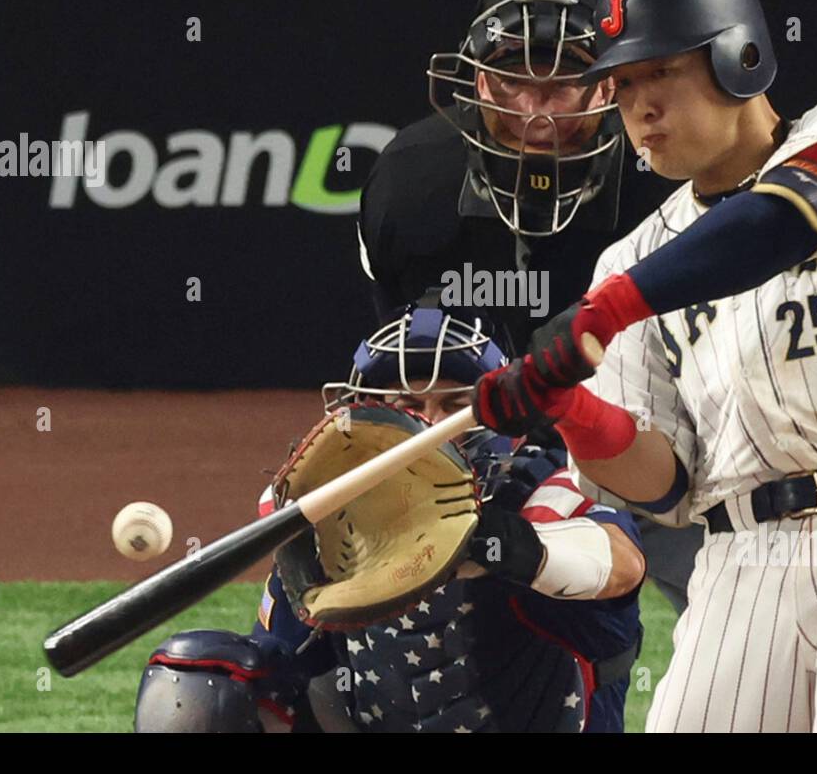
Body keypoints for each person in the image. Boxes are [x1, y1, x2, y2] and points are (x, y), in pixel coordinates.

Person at [472, 0, 817, 732]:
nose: (639, 107)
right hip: (743, 557)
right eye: (622, 88)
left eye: (661, 72)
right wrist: (569, 409)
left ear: (740, 58)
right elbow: (664, 482)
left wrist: (606, 313)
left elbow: (779, 218)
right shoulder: (627, 261)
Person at [357, 0, 702, 613]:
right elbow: (403, 356)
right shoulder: (411, 182)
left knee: (745, 614)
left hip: (655, 448)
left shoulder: (670, 179)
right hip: (473, 459)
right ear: (477, 80)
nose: (535, 109)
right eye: (512, 77)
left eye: (565, 79)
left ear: (607, 85)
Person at [134, 305, 645, 733]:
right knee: (198, 679)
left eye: (454, 406)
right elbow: (285, 665)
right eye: (406, 405)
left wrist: (503, 547)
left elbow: (619, 566)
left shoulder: (544, 491)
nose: (429, 426)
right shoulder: (333, 518)